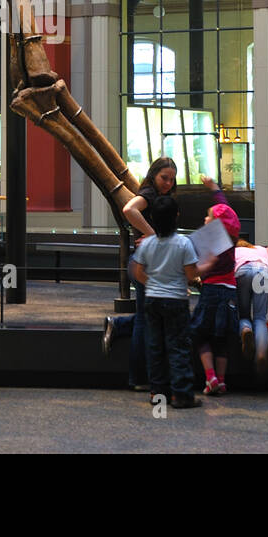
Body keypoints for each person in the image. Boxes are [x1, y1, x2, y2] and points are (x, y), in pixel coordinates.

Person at [101, 158, 176, 391]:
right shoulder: (149, 194)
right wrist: (153, 234)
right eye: (164, 177)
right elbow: (128, 209)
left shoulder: (159, 196)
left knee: (150, 316)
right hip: (146, 264)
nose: (168, 183)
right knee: (147, 319)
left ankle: (119, 325)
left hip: (149, 263)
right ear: (154, 175)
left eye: (172, 179)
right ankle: (138, 378)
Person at [129, 195, 202, 409]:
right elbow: (190, 275)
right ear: (176, 216)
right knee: (178, 346)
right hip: (176, 301)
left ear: (152, 218)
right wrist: (206, 266)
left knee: (155, 346)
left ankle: (157, 393)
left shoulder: (147, 243)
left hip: (152, 300)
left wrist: (153, 284)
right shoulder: (183, 243)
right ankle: (182, 395)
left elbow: (137, 271)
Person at [190, 191, 238, 396]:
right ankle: (223, 380)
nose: (205, 219)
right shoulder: (231, 240)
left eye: (209, 216)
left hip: (211, 290)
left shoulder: (210, 242)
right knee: (222, 339)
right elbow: (227, 212)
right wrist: (215, 190)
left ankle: (210, 377)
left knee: (200, 334)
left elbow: (198, 267)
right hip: (230, 292)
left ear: (216, 223)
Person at [232, 231, 268, 375]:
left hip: (242, 271)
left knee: (243, 315)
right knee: (260, 317)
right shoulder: (259, 249)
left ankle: (246, 330)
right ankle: (261, 354)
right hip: (262, 271)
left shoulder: (235, 250)